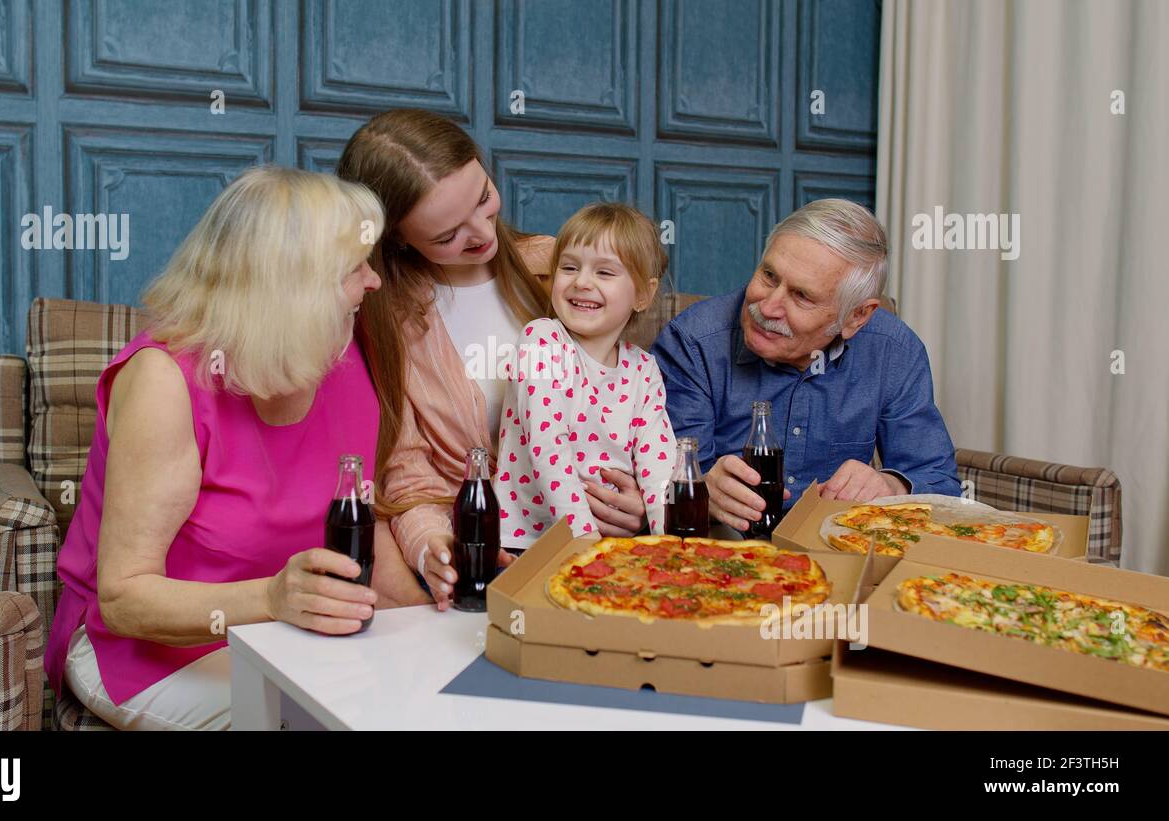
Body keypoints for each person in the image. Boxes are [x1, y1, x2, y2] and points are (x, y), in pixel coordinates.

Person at [43, 167, 425, 730]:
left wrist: (430, 622)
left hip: (286, 636)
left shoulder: (342, 359)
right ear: (292, 287)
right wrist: (273, 599)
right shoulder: (164, 381)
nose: (374, 282)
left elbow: (365, 527)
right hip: (143, 654)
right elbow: (123, 600)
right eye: (354, 268)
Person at [337, 109, 650, 608]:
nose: (483, 233)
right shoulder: (382, 319)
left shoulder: (560, 271)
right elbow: (405, 472)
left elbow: (628, 406)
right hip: (479, 561)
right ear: (395, 236)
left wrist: (638, 503)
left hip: (594, 553)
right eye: (447, 236)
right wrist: (431, 547)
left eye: (483, 198)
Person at [651, 198, 960, 534]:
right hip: (726, 558)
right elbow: (659, 481)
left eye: (801, 296)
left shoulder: (894, 351)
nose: (767, 307)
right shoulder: (693, 343)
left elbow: (940, 483)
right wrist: (705, 490)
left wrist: (891, 487)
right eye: (769, 276)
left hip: (840, 555)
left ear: (857, 316)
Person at [496, 203, 674, 547]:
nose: (581, 282)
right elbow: (548, 449)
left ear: (643, 294)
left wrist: (670, 543)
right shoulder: (542, 340)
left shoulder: (643, 369)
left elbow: (659, 465)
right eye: (569, 267)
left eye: (604, 273)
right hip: (528, 544)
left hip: (609, 545)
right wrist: (583, 539)